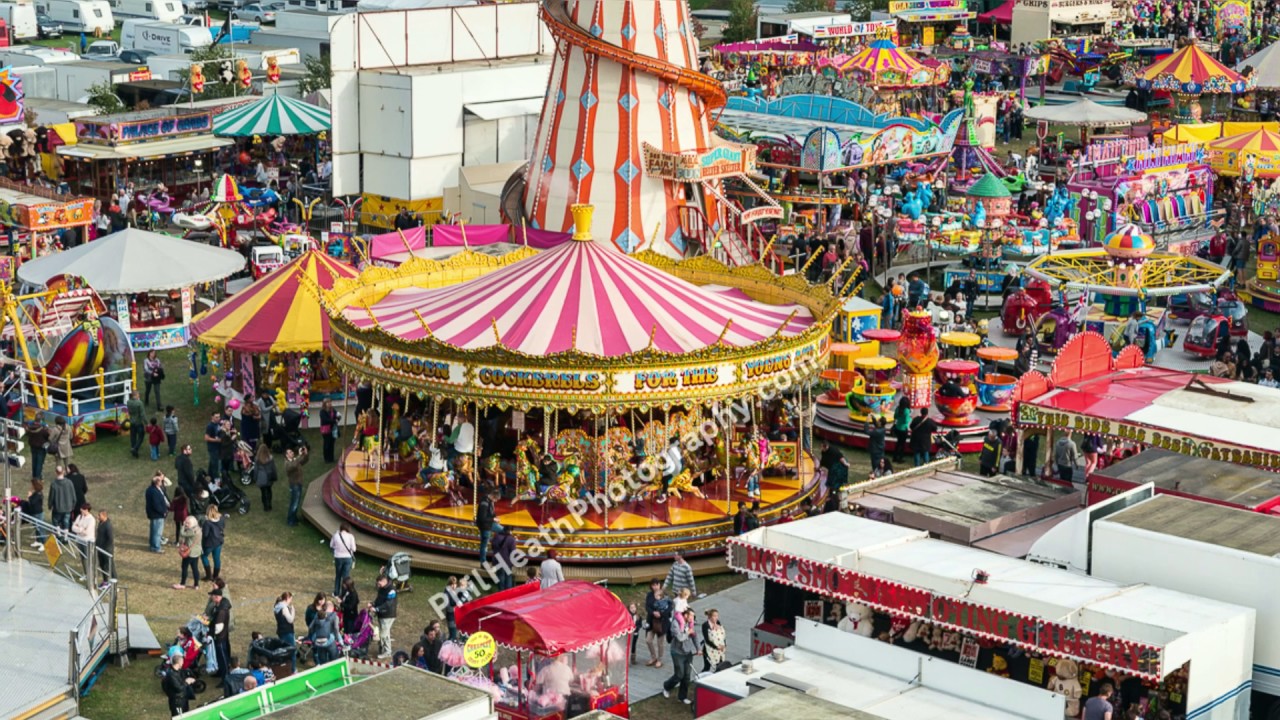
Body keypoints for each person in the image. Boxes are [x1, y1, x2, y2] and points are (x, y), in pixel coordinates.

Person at [662, 608, 698, 705]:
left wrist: (698, 648)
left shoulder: (691, 624)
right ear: (685, 615)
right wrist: (688, 632)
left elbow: (695, 636)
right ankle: (667, 686)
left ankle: (682, 697)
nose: (692, 618)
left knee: (687, 676)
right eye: (691, 616)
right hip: (677, 652)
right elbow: (680, 638)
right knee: (679, 674)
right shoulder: (675, 623)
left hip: (688, 652)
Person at [371, 573, 398, 659]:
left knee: (383, 635)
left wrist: (377, 609)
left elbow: (389, 604)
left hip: (388, 615)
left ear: (384, 581)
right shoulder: (381, 589)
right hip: (381, 614)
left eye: (379, 583)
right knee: (385, 633)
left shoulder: (391, 590)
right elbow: (379, 599)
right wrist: (373, 604)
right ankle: (383, 649)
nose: (378, 585)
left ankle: (387, 652)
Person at [644, 580, 670, 668]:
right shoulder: (649, 595)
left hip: (662, 621)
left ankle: (660, 659)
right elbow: (647, 606)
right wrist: (653, 612)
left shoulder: (665, 595)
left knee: (660, 642)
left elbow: (670, 607)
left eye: (656, 585)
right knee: (648, 640)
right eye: (653, 585)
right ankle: (653, 657)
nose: (655, 587)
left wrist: (661, 614)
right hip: (652, 621)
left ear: (659, 585)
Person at [174, 515, 203, 590]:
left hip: (189, 552)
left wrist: (183, 526)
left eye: (188, 523)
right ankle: (196, 585)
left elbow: (182, 534)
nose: (186, 524)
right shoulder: (198, 529)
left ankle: (182, 584)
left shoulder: (191, 531)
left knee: (184, 567)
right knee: (195, 568)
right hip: (196, 552)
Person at [143, 472, 169, 552]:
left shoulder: (150, 489)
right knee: (157, 532)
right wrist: (163, 512)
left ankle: (153, 545)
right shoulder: (154, 491)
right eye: (160, 481)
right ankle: (156, 547)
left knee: (153, 531)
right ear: (157, 483)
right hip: (157, 514)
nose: (162, 483)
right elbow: (156, 504)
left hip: (153, 514)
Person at [209, 588, 232, 678]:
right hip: (222, 636)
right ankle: (220, 671)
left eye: (212, 596)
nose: (211, 597)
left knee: (222, 657)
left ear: (217, 597)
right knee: (219, 656)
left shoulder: (221, 610)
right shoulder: (220, 606)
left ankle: (225, 676)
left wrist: (213, 634)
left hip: (220, 637)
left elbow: (218, 627)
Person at [284, 445, 309, 527]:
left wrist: (305, 454)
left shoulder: (294, 460)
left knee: (296, 502)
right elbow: (294, 465)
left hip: (298, 483)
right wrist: (299, 455)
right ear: (287, 455)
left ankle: (294, 517)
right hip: (294, 485)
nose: (292, 453)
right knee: (294, 503)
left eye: (292, 451)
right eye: (290, 452)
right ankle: (290, 520)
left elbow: (304, 461)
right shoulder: (287, 464)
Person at [200, 505, 226, 581]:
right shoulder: (221, 519)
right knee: (217, 558)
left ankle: (208, 576)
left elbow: (205, 534)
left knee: (204, 556)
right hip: (218, 541)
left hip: (209, 543)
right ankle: (215, 576)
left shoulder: (207, 523)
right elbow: (223, 527)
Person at [330, 523, 356, 596]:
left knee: (338, 575)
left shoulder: (336, 535)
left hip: (338, 557)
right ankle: (344, 593)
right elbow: (354, 549)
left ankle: (336, 592)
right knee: (345, 576)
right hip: (348, 557)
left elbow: (331, 545)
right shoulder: (351, 536)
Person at [251, 444, 278, 512]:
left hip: (261, 477)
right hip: (269, 477)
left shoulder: (257, 459)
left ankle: (265, 506)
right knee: (269, 490)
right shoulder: (271, 458)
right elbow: (273, 468)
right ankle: (269, 504)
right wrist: (274, 476)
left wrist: (255, 478)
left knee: (263, 492)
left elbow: (256, 470)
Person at [274, 592, 297, 672]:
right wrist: (293, 611)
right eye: (290, 599)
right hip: (287, 631)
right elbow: (290, 620)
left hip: (281, 631)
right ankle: (293, 670)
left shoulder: (276, 607)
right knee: (292, 651)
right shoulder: (284, 608)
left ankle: (285, 669)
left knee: (284, 650)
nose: (291, 600)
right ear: (287, 598)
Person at [49, 466, 76, 532]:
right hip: (68, 507)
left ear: (56, 472)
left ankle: (58, 535)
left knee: (56, 521)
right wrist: (73, 505)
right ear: (63, 472)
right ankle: (65, 536)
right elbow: (73, 496)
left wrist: (50, 505)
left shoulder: (54, 484)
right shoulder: (69, 482)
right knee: (66, 522)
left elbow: (51, 497)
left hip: (58, 508)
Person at [490, 524, 517, 590]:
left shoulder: (497, 537)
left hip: (498, 560)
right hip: (508, 561)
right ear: (510, 531)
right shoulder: (511, 539)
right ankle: (508, 593)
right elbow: (513, 552)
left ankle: (501, 592)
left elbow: (493, 547)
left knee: (500, 577)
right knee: (508, 577)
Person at [20, 480, 45, 546]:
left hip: (38, 513)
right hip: (34, 513)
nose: (31, 486)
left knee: (40, 529)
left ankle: (43, 543)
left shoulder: (38, 494)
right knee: (36, 528)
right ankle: (38, 541)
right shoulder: (36, 493)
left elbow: (32, 502)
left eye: (32, 485)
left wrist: (29, 496)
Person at [95, 508, 115, 585]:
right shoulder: (100, 523)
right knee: (102, 565)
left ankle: (114, 582)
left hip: (106, 550)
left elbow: (110, 539)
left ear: (104, 515)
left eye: (99, 515)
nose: (98, 516)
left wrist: (104, 547)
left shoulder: (108, 525)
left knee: (110, 566)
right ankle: (105, 581)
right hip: (100, 549)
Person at [476, 490, 496, 563]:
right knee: (484, 544)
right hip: (485, 526)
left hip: (489, 523)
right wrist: (493, 519)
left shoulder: (490, 502)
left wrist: (494, 518)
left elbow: (492, 513)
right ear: (493, 496)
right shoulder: (485, 503)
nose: (495, 501)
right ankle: (483, 562)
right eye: (496, 499)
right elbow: (482, 518)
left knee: (503, 531)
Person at [891, 397, 911, 463]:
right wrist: (910, 418)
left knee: (898, 443)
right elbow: (906, 421)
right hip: (903, 429)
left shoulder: (897, 408)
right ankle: (900, 458)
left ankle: (894, 457)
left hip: (897, 427)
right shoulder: (907, 411)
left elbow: (895, 417)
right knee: (902, 444)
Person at [203, 412, 223, 479]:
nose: (218, 418)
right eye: (216, 417)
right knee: (215, 464)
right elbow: (206, 438)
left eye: (219, 417)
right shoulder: (210, 426)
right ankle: (216, 479)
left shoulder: (218, 424)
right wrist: (217, 440)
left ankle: (209, 475)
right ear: (212, 417)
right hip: (213, 448)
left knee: (212, 462)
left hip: (218, 447)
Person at [129, 392, 147, 459]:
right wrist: (146, 423)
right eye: (138, 395)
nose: (139, 396)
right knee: (141, 436)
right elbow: (142, 414)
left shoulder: (128, 402)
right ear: (135, 395)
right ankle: (135, 448)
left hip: (132, 421)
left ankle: (133, 448)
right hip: (138, 422)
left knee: (133, 436)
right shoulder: (139, 403)